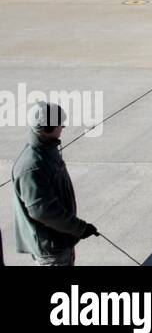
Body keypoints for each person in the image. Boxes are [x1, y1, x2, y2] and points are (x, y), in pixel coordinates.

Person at [10, 101, 98, 266]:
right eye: (60, 125)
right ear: (47, 128)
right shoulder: (32, 166)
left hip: (60, 240)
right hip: (51, 249)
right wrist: (79, 228)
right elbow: (43, 211)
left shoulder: (46, 150)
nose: (63, 128)